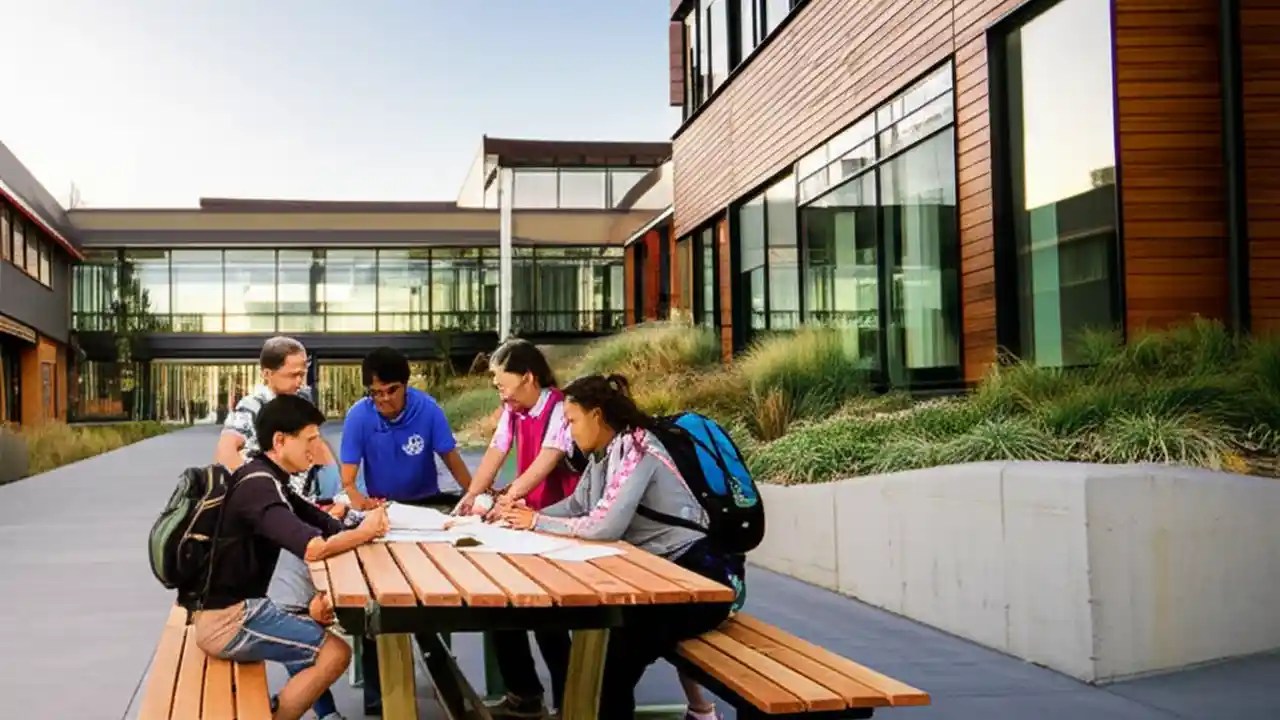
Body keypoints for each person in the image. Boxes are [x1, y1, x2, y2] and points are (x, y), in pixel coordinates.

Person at [496, 374, 745, 720]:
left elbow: (605, 526)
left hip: (702, 582)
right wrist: (522, 516)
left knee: (613, 657)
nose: (568, 431)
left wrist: (536, 522)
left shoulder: (638, 449)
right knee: (609, 645)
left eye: (572, 421)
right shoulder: (604, 454)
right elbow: (576, 506)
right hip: (663, 581)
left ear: (597, 415)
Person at [191, 394, 390, 720]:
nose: (317, 449)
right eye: (310, 440)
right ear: (280, 441)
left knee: (306, 630)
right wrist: (365, 533)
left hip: (237, 608)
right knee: (334, 653)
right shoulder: (260, 487)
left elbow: (324, 524)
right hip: (228, 622)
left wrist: (361, 522)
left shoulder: (268, 476)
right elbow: (312, 548)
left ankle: (304, 710)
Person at [338, 346, 474, 713]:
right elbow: (348, 480)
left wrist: (474, 495)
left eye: (391, 390)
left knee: (430, 596)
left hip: (426, 507)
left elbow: (451, 458)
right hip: (383, 511)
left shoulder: (427, 409)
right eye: (375, 393)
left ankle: (444, 679)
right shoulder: (359, 417)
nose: (383, 400)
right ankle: (377, 697)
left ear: (406, 385)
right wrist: (361, 501)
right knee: (376, 598)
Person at [456, 339, 580, 715]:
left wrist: (508, 498)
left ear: (528, 376)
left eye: (501, 382)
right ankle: (523, 693)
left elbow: (547, 459)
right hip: (524, 522)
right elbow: (496, 451)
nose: (499, 391)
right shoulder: (513, 410)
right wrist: (470, 497)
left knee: (547, 616)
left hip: (558, 520)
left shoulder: (560, 408)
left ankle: (570, 701)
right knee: (499, 602)